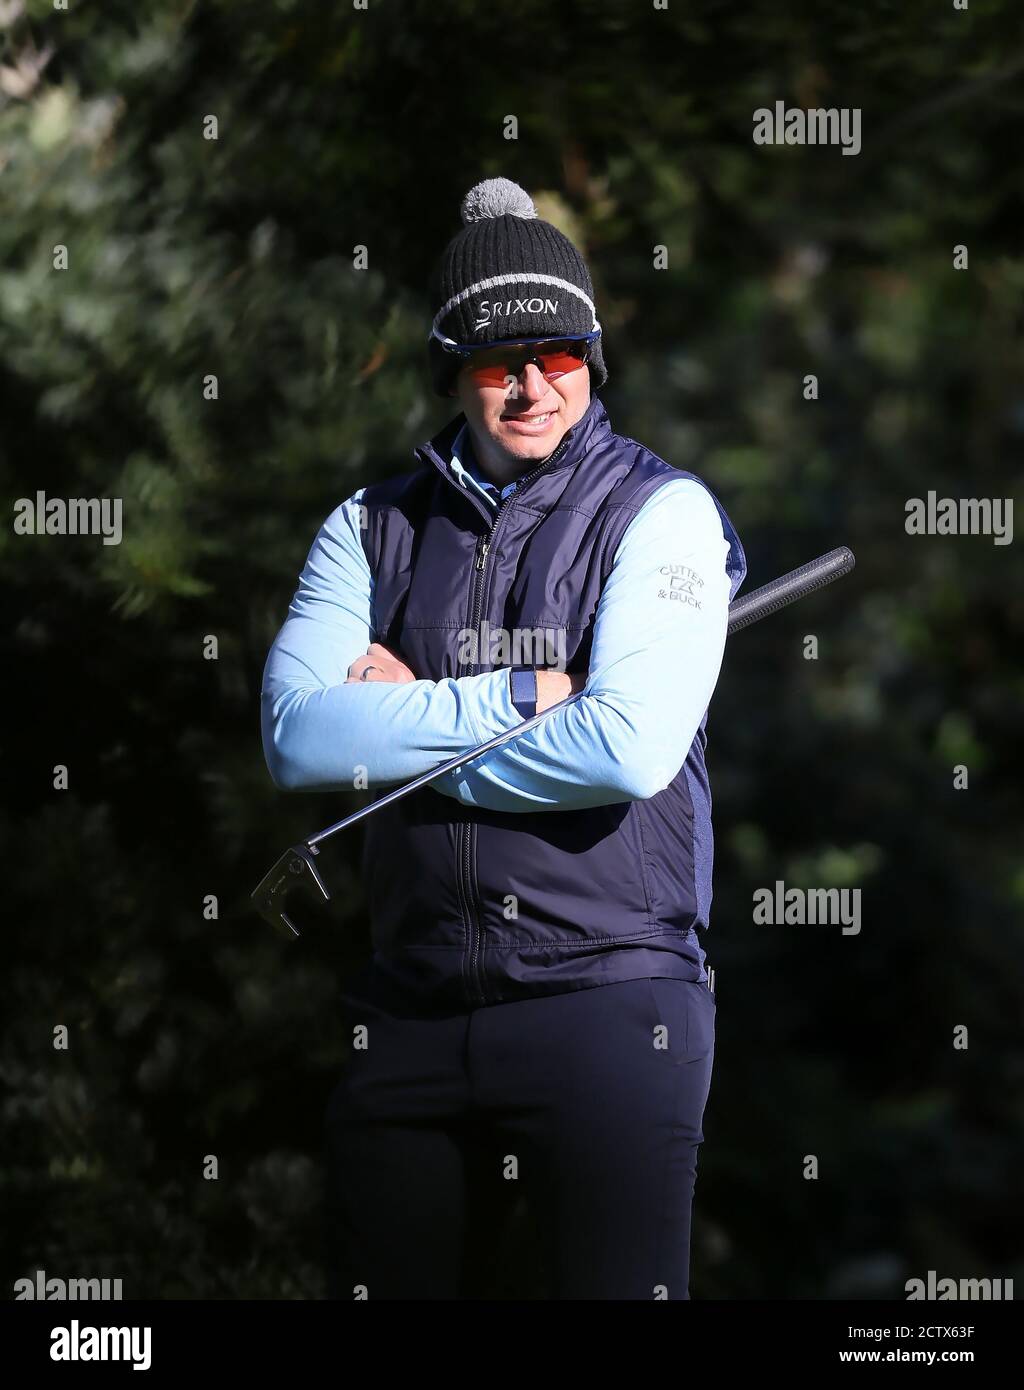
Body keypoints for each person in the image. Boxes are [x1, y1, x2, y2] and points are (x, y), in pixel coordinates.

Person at [259, 176, 746, 1300]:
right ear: (451, 368)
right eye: (495, 359)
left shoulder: (662, 513)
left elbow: (625, 749)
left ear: (592, 359)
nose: (532, 386)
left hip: (611, 1007)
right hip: (410, 1014)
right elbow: (294, 736)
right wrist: (521, 693)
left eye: (559, 355)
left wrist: (399, 709)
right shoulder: (368, 526)